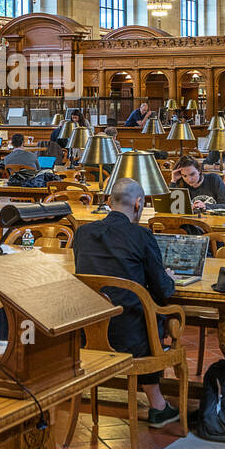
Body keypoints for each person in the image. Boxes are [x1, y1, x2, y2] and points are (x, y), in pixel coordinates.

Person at [71, 177, 179, 428]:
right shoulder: (141, 235)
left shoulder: (83, 233)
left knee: (139, 312)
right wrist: (169, 278)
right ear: (139, 204)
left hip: (91, 331)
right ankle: (158, 405)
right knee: (152, 316)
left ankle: (157, 403)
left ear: (109, 202)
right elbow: (164, 291)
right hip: (132, 337)